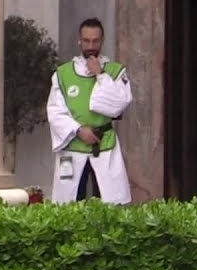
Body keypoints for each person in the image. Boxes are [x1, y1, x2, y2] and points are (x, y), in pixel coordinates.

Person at [45, 17, 133, 204]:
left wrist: (100, 74)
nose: (90, 46)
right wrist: (78, 130)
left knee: (107, 202)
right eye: (86, 41)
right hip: (73, 145)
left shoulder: (115, 71)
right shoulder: (63, 74)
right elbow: (55, 111)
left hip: (104, 144)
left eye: (95, 41)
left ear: (102, 41)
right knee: (70, 203)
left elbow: (118, 104)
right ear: (79, 41)